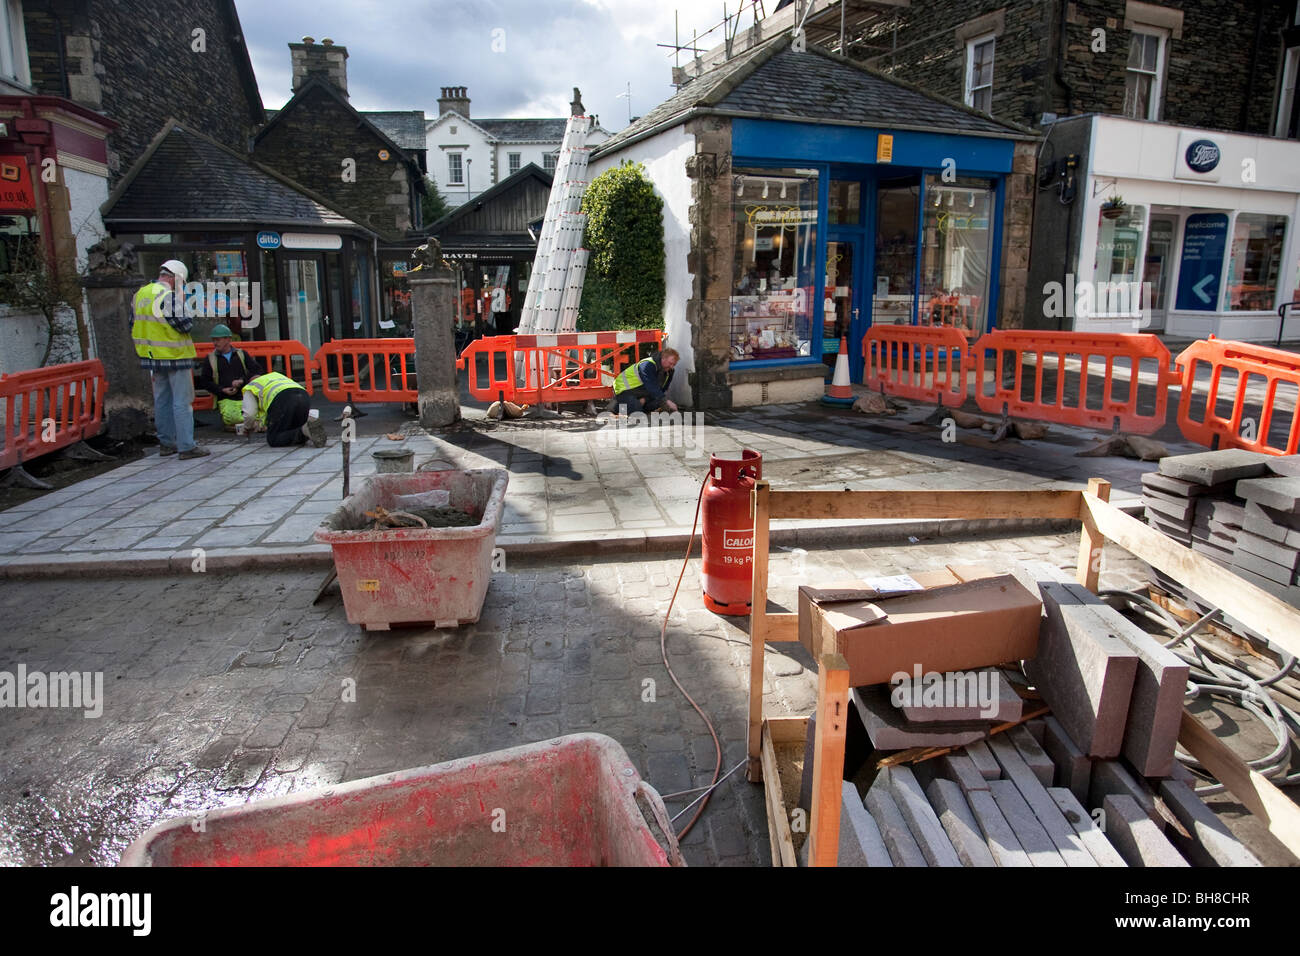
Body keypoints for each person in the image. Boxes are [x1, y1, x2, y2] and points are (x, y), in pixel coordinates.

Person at [132, 259, 209, 459]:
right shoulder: (168, 296)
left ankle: (166, 443)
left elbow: (134, 323)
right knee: (182, 402)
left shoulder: (140, 295)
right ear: (175, 278)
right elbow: (184, 325)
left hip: (152, 357)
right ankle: (186, 446)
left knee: (162, 400)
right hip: (176, 356)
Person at [196, 324, 264, 429]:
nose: (215, 343)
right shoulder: (210, 359)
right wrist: (222, 390)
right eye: (213, 340)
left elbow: (257, 370)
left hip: (245, 395)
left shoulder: (241, 354)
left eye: (218, 340)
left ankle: (247, 424)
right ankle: (251, 424)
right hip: (225, 399)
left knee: (259, 413)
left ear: (228, 339)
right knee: (232, 417)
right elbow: (205, 381)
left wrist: (242, 381)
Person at [241, 371, 326, 448]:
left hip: (283, 399)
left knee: (274, 439)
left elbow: (249, 414)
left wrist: (247, 427)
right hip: (303, 396)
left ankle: (304, 430)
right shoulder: (275, 376)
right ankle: (310, 431)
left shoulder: (251, 386)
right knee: (292, 429)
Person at [609, 348, 679, 415]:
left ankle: (637, 405)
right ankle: (615, 406)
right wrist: (666, 401)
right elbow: (651, 386)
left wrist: (645, 399)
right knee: (636, 409)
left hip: (641, 393)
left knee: (657, 403)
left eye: (674, 365)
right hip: (624, 390)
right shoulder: (647, 365)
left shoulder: (669, 372)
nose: (672, 367)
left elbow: (661, 390)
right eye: (670, 363)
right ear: (663, 358)